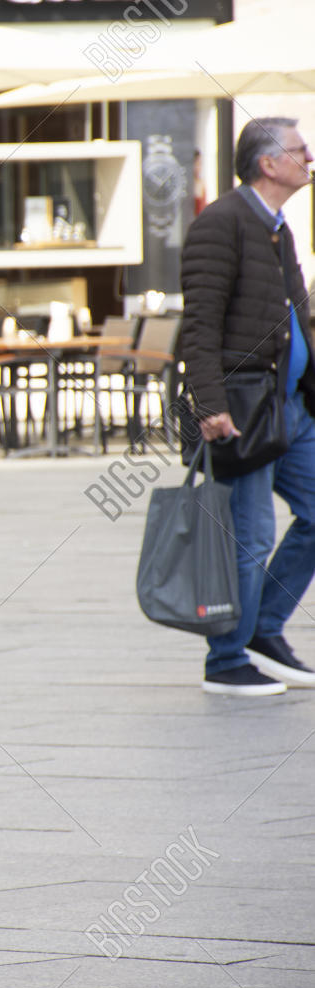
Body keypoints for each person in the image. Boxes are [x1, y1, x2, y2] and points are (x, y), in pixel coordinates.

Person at [180, 117, 315, 696]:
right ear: (268, 163)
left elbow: (295, 317)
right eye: (300, 150)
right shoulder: (223, 223)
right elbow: (201, 324)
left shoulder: (277, 227)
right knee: (253, 534)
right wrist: (210, 404)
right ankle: (226, 658)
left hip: (291, 407)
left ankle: (264, 629)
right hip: (244, 406)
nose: (309, 158)